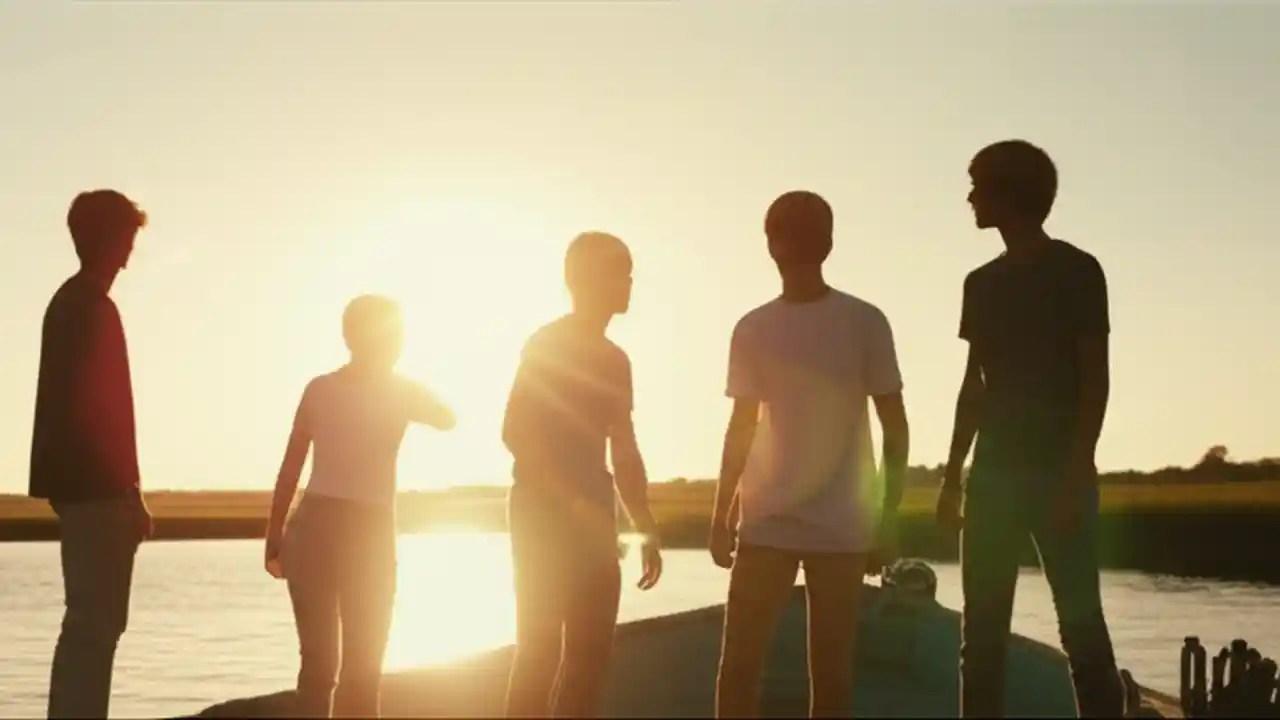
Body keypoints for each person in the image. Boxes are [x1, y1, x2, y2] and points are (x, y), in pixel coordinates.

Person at [938, 140, 1125, 718]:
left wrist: (1074, 476)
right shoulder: (980, 283)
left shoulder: (1077, 270)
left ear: (1009, 194)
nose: (969, 196)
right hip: (991, 475)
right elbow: (975, 386)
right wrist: (951, 478)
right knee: (982, 640)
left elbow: (1095, 382)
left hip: (1056, 471)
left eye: (978, 185)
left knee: (1082, 630)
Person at [710, 191, 910, 718]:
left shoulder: (863, 321)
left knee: (814, 671)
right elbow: (742, 427)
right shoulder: (755, 328)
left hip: (838, 529)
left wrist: (886, 518)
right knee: (754, 668)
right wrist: (720, 512)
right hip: (770, 525)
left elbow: (895, 425)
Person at [264, 294, 456, 718]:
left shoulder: (324, 388)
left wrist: (275, 535)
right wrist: (274, 535)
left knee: (327, 668)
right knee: (352, 670)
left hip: (320, 525)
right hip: (355, 530)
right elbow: (447, 417)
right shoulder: (387, 390)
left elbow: (290, 468)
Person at [501, 231, 663, 718]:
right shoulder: (547, 344)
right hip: (541, 514)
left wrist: (645, 526)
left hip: (594, 512)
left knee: (590, 657)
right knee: (540, 652)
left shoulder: (616, 361)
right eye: (622, 274)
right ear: (589, 280)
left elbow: (625, 449)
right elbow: (514, 431)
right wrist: (569, 504)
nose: (631, 284)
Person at [30, 189, 154, 719]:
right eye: (126, 238)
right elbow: (103, 411)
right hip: (97, 494)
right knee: (96, 625)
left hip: (81, 490)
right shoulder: (90, 307)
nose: (129, 254)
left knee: (87, 624)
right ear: (107, 240)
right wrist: (127, 493)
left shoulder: (70, 303)